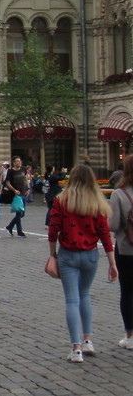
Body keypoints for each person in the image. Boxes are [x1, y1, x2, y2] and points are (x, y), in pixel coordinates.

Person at [47, 164, 118, 362]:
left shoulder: (61, 201)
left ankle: (75, 348)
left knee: (71, 299)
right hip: (90, 255)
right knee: (85, 295)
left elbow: (53, 230)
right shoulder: (97, 202)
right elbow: (105, 235)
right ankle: (88, 339)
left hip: (68, 255)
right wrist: (112, 263)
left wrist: (52, 254)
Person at [108, 155, 133, 350]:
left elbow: (114, 225)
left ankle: (130, 336)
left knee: (128, 292)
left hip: (126, 249)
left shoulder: (119, 194)